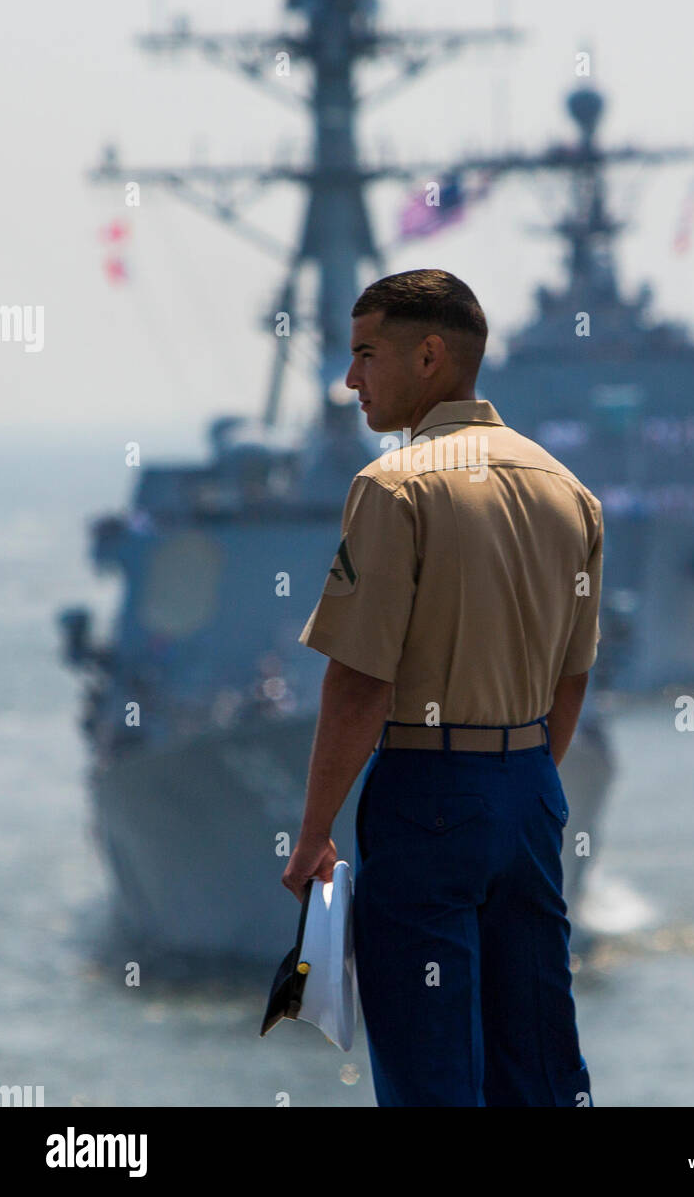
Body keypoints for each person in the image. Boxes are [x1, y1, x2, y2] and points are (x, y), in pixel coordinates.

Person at [282, 268, 603, 1107]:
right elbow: (572, 678)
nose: (350, 378)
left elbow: (357, 683)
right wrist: (519, 784)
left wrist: (315, 832)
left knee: (429, 1069)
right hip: (531, 790)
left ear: (428, 357)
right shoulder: (569, 493)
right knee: (539, 1061)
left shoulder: (395, 486)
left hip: (426, 793)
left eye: (365, 355)